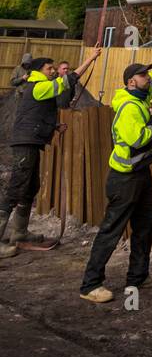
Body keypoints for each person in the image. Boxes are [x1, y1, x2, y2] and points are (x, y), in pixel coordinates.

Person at [79, 38, 152, 303]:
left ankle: (138, 276)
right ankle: (90, 284)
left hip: (140, 175)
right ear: (131, 82)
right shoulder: (130, 107)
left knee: (144, 226)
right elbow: (138, 139)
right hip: (124, 179)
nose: (148, 77)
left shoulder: (142, 95)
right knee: (111, 231)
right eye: (143, 75)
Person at [0, 48, 100, 259]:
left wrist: (54, 126)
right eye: (50, 68)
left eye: (54, 68)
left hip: (31, 140)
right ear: (38, 71)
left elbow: (36, 113)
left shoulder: (39, 87)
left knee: (30, 185)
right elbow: (68, 80)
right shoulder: (39, 86)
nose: (53, 71)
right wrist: (90, 58)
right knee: (17, 186)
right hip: (25, 142)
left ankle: (19, 232)